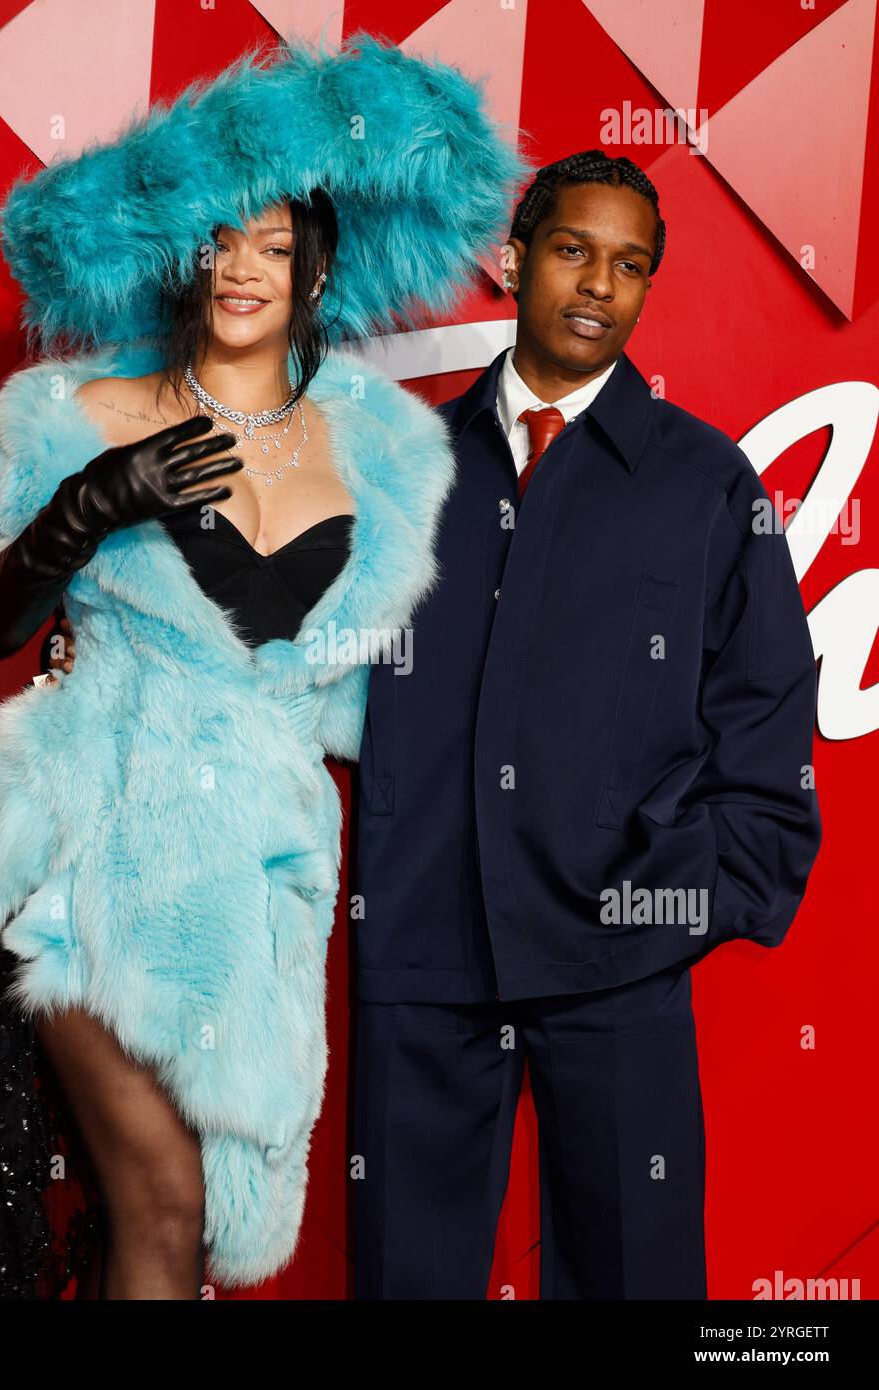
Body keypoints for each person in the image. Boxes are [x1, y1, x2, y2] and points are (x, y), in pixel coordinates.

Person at [0, 33, 528, 1300]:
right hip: (94, 835)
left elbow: (381, 697)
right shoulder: (70, 410)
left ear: (317, 266)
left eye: (276, 244)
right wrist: (92, 503)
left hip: (260, 875)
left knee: (202, 1237)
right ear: (187, 254)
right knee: (159, 1201)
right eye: (225, 240)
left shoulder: (385, 449)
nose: (245, 267)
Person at [346, 150, 823, 1298]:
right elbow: (288, 655)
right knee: (403, 1280)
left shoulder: (703, 482)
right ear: (511, 263)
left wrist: (675, 895)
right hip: (422, 943)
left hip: (616, 955)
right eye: (572, 251)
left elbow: (764, 722)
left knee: (634, 1279)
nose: (599, 286)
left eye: (629, 266)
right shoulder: (403, 466)